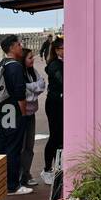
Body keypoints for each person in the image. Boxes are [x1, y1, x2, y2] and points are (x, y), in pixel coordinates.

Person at [0, 34, 30, 195]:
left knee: (2, 146)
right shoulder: (15, 66)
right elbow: (20, 94)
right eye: (19, 45)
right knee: (14, 148)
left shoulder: (2, 64)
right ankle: (13, 185)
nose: (21, 47)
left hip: (1, 112)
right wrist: (24, 114)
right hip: (14, 112)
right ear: (12, 47)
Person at [19, 48, 47, 188]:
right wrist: (33, 89)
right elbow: (27, 94)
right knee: (21, 146)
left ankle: (26, 173)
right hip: (22, 114)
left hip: (31, 114)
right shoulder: (19, 73)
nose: (33, 60)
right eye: (30, 58)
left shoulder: (32, 71)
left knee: (29, 146)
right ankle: (20, 176)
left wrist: (31, 88)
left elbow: (42, 85)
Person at [40, 37, 64, 185]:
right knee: (55, 137)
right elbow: (64, 81)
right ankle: (47, 169)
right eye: (64, 47)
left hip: (60, 103)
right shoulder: (55, 65)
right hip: (55, 104)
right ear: (57, 50)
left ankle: (60, 168)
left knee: (61, 137)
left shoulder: (62, 63)